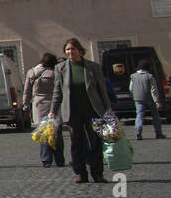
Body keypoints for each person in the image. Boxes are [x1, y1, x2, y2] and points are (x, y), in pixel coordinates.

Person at [48, 38, 113, 184]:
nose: (70, 52)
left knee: (95, 141)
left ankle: (97, 173)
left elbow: (102, 90)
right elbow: (57, 91)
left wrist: (108, 110)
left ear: (80, 50)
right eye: (67, 50)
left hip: (92, 109)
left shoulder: (92, 67)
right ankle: (81, 173)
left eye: (73, 49)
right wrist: (53, 110)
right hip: (72, 110)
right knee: (76, 143)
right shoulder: (61, 68)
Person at [24, 53, 65, 167]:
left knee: (43, 133)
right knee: (56, 133)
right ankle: (59, 159)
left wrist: (26, 105)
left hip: (38, 104)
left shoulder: (32, 72)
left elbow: (27, 91)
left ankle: (46, 159)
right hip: (54, 103)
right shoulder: (55, 72)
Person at [129, 60, 166, 141]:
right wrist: (157, 101)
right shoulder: (150, 76)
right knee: (155, 115)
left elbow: (131, 88)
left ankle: (138, 132)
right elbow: (154, 90)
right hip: (149, 98)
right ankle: (158, 133)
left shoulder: (133, 76)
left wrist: (133, 96)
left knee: (139, 115)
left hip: (138, 98)